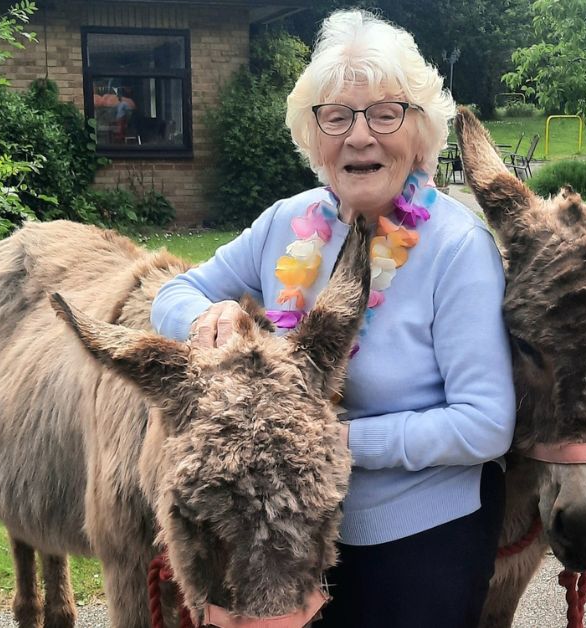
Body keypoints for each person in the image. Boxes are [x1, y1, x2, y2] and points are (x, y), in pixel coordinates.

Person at [150, 9, 514, 627]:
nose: (360, 136)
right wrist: (203, 315)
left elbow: (485, 425)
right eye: (337, 116)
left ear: (421, 131)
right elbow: (173, 291)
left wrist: (337, 444)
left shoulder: (458, 249)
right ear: (314, 136)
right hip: (289, 536)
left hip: (420, 538)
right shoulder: (285, 225)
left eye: (384, 113)